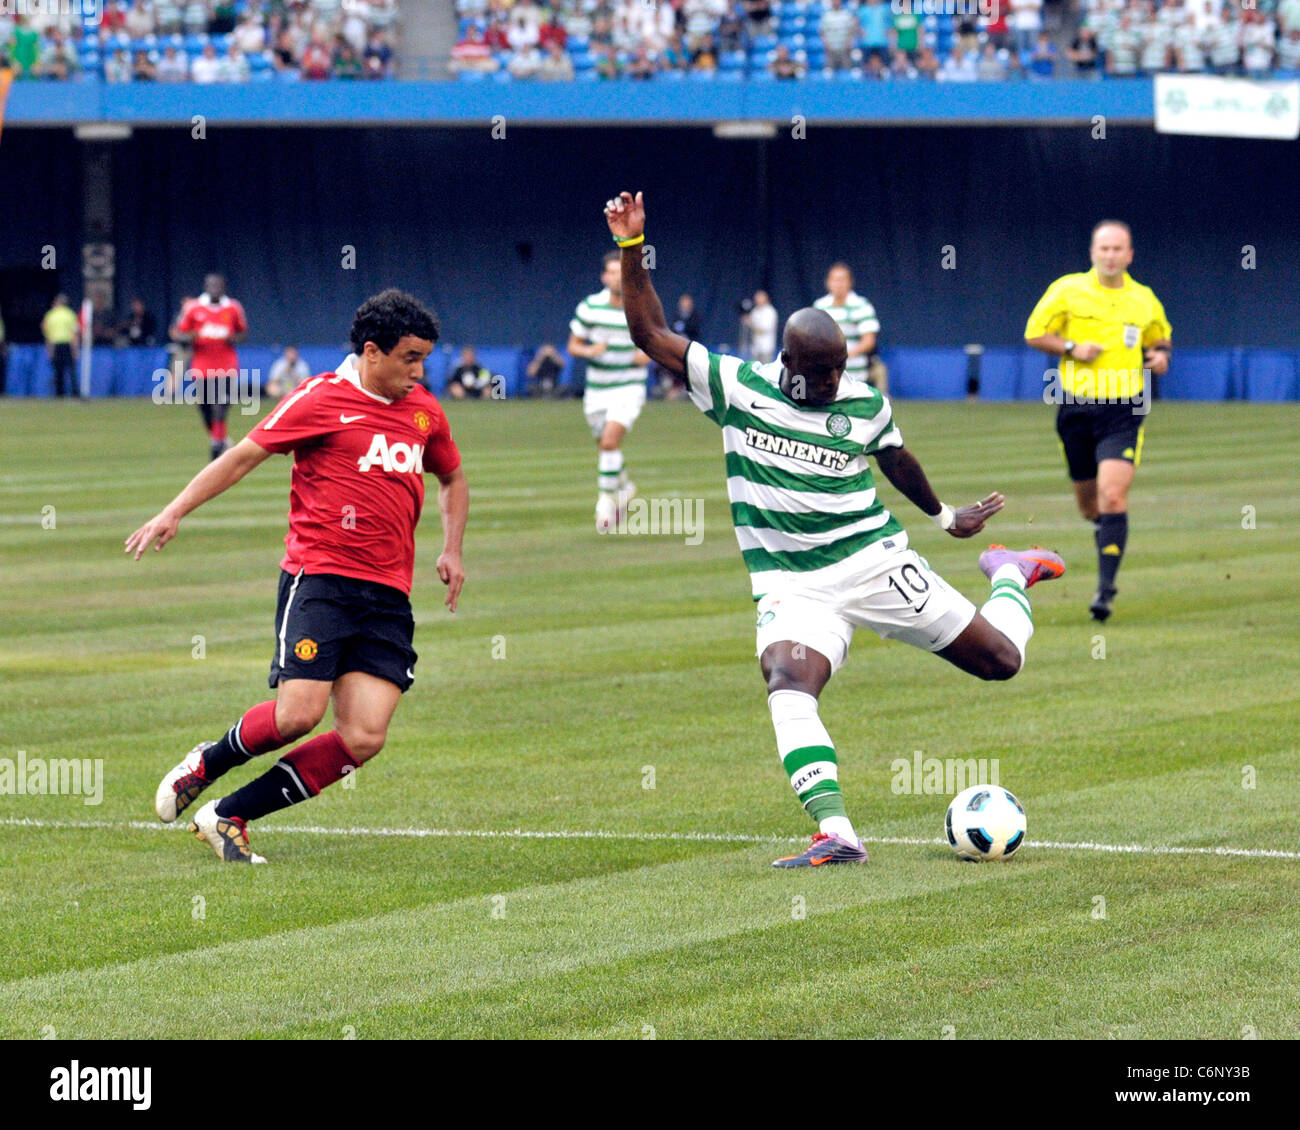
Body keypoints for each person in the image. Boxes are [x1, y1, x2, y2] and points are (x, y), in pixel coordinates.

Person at [606, 189, 1065, 868]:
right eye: (821, 371)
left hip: (873, 562)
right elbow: (650, 335)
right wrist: (632, 248)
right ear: (788, 364)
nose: (832, 381)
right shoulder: (739, 389)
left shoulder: (863, 401)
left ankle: (1010, 572)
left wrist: (944, 518)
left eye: (840, 368)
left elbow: (894, 457)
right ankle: (837, 831)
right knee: (787, 676)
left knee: (1002, 663)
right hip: (795, 585)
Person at [129, 290, 468, 865]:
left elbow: (453, 480)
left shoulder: (425, 412)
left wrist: (452, 549)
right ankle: (208, 763)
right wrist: (174, 510)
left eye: (424, 360)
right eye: (409, 358)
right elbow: (241, 456)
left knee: (364, 737)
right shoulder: (319, 399)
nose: (418, 371)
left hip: (388, 593)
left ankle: (227, 815)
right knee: (297, 716)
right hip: (322, 580)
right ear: (371, 352)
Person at [1024, 220, 1171, 622]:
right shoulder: (1068, 289)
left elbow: (1159, 338)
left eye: (1117, 249)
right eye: (1103, 248)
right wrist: (1071, 346)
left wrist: (1160, 356)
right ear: (1093, 253)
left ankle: (1105, 591)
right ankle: (1103, 529)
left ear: (1129, 255)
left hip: (1123, 409)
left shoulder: (1144, 299)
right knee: (1090, 505)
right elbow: (1035, 333)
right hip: (1074, 408)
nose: (1110, 255)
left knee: (1112, 497)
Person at [567, 249, 650, 532]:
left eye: (621, 271)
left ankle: (605, 503)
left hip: (629, 385)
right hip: (597, 389)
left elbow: (659, 340)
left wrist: (647, 355)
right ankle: (625, 488)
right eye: (612, 272)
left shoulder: (640, 304)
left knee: (610, 442)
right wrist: (590, 350)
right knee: (605, 445)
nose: (617, 277)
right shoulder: (590, 306)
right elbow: (573, 346)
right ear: (604, 276)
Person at [172, 273, 249, 460]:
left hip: (226, 366)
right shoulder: (194, 308)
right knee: (205, 408)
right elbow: (178, 333)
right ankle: (221, 438)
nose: (214, 289)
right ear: (206, 287)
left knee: (220, 406)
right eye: (211, 286)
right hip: (202, 366)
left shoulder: (232, 307)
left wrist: (234, 339)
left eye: (218, 286)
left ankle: (215, 450)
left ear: (223, 288)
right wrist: (190, 337)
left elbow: (243, 332)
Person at [814, 263, 886, 392]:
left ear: (850, 282)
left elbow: (869, 341)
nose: (838, 284)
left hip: (855, 371)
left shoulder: (861, 306)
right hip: (825, 372)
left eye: (842, 280)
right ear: (828, 282)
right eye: (835, 280)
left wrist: (844, 356)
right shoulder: (820, 306)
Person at [42, 294, 79, 398]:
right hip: (68, 344)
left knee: (58, 371)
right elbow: (75, 333)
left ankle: (59, 393)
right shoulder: (70, 314)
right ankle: (75, 393)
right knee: (71, 370)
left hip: (55, 345)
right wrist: (75, 349)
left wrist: (49, 350)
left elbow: (47, 334)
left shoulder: (50, 315)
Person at [745, 290, 778, 362]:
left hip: (766, 348)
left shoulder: (770, 312)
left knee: (765, 369)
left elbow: (764, 330)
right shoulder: (755, 311)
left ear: (765, 299)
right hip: (755, 348)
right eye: (756, 298)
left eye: (759, 298)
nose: (757, 300)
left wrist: (751, 324)